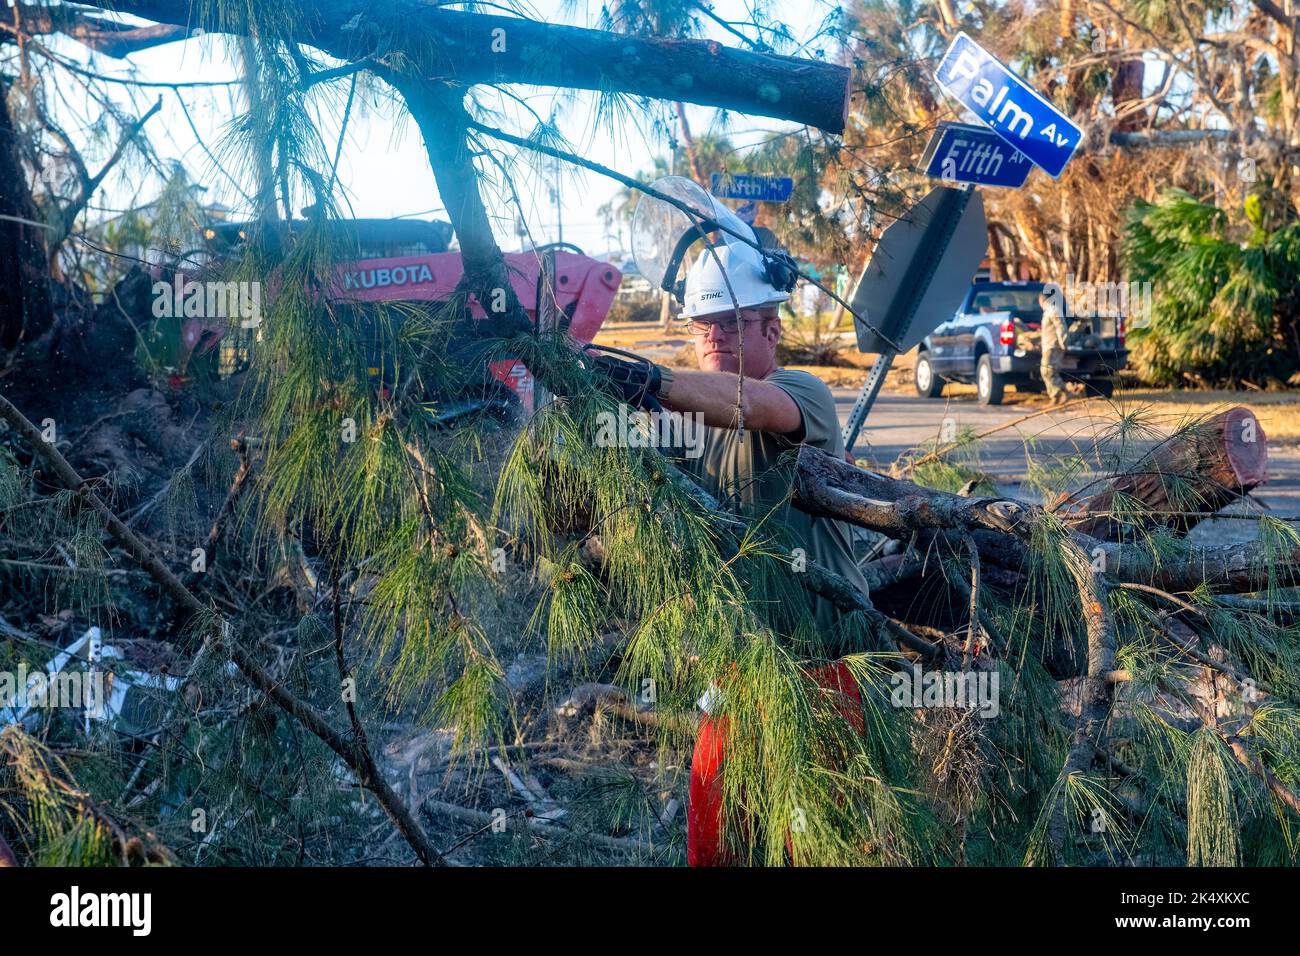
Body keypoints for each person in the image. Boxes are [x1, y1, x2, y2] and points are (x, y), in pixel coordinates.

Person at [589, 234, 872, 865]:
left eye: (733, 323)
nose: (715, 336)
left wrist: (652, 379)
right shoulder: (683, 423)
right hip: (740, 669)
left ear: (771, 327)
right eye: (704, 325)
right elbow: (624, 481)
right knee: (715, 842)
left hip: (824, 664)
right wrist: (598, 395)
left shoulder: (804, 394)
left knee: (814, 846)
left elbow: (750, 405)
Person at [1038, 283, 1070, 406]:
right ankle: (1055, 396)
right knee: (1046, 371)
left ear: (1042, 300)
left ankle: (1063, 391)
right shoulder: (1048, 312)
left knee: (1048, 371)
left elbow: (1061, 327)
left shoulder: (1053, 310)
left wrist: (1064, 343)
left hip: (1053, 346)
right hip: (1047, 346)